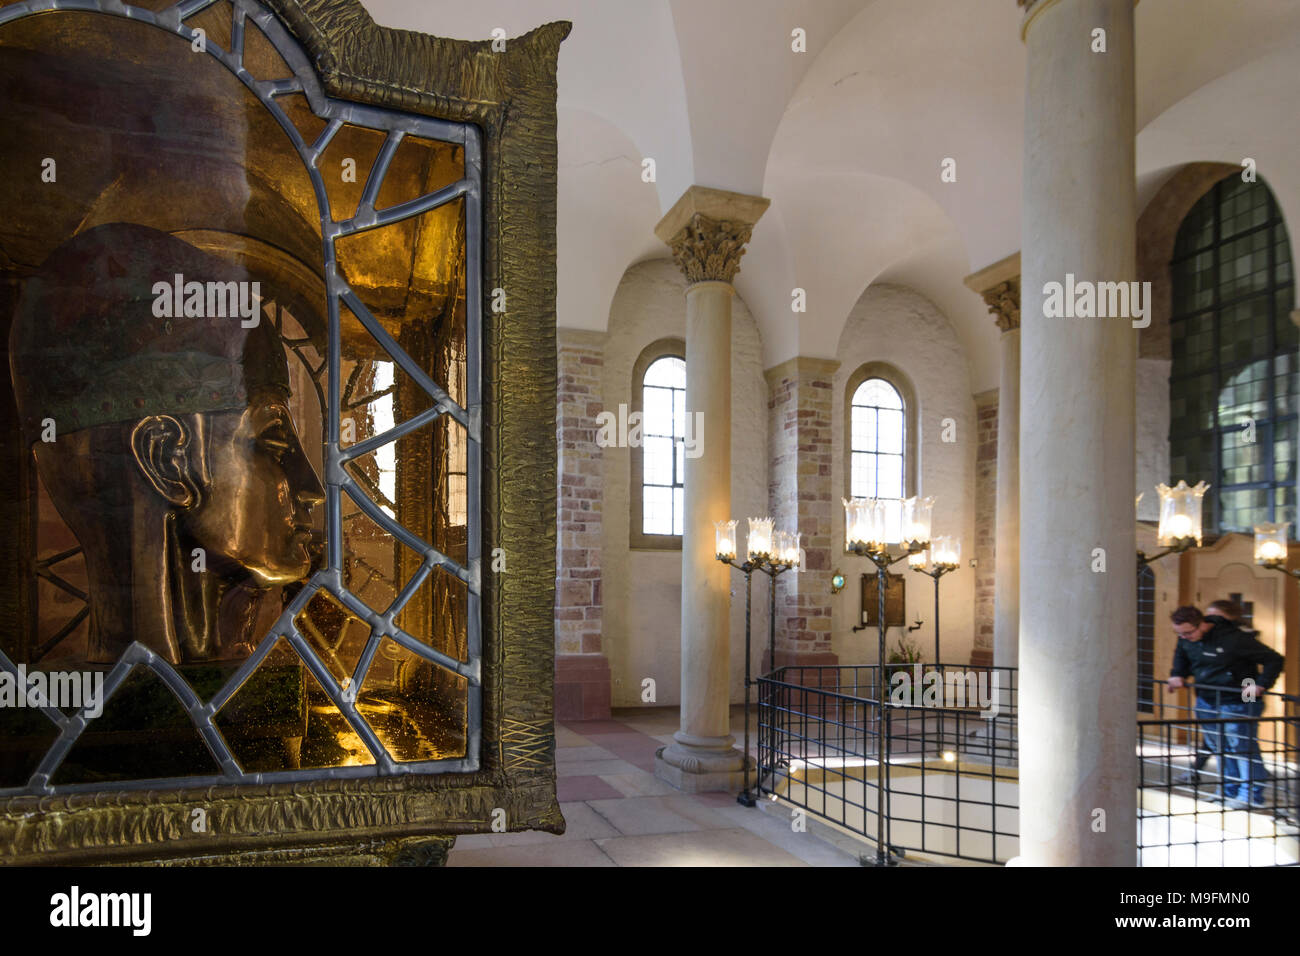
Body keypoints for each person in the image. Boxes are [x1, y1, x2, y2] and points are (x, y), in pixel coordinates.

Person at [1168, 605, 1284, 808]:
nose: (1184, 637)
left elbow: (1274, 659)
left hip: (1241, 696)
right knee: (1218, 747)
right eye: (1179, 633)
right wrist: (1177, 674)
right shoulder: (1186, 638)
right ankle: (1226, 790)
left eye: (1188, 632)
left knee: (1242, 746)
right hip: (1207, 698)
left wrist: (1261, 685)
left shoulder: (1235, 639)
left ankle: (1250, 795)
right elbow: (1182, 656)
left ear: (1202, 624)